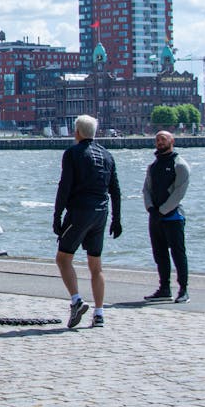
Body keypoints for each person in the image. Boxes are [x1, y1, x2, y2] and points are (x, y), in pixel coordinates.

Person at [53, 114, 122, 329]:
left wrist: (57, 216)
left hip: (79, 211)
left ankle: (76, 300)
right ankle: (99, 313)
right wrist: (117, 219)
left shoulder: (73, 154)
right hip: (101, 213)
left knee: (63, 259)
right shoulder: (107, 155)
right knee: (95, 265)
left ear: (77, 132)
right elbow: (116, 190)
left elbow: (65, 186)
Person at [142, 130, 191, 303]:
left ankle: (183, 289)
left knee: (178, 253)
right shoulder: (153, 166)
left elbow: (179, 193)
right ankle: (164, 288)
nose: (160, 142)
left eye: (163, 139)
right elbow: (146, 189)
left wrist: (163, 210)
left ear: (172, 141)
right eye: (157, 140)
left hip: (173, 217)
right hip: (155, 217)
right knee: (159, 254)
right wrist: (150, 208)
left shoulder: (180, 165)